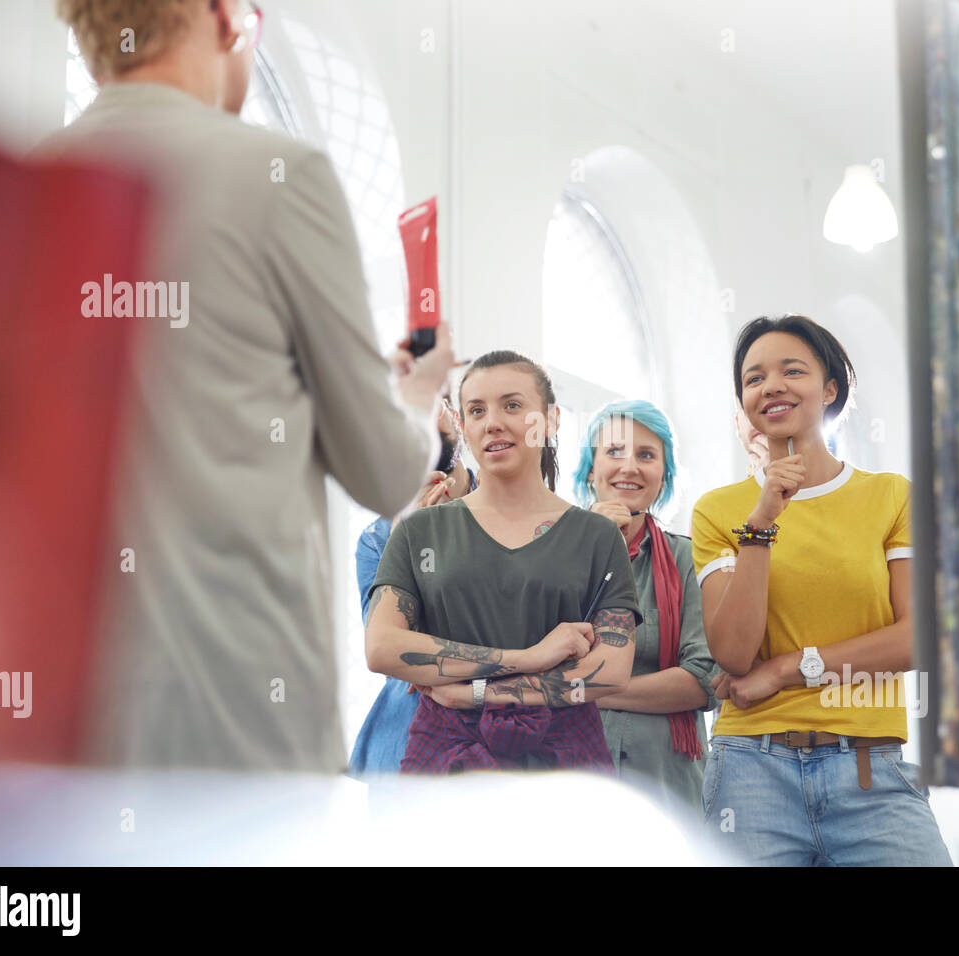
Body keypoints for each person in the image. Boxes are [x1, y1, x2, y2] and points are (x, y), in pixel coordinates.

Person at [41, 0, 454, 771]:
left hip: (60, 694)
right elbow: (386, 470)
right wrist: (419, 394)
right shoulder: (277, 175)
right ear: (227, 16)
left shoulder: (32, 180)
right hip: (233, 695)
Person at [691, 314, 951, 865]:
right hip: (750, 770)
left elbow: (915, 640)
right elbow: (734, 653)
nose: (772, 386)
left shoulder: (890, 497)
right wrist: (760, 524)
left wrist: (786, 669)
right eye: (754, 378)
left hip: (870, 767)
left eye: (792, 370)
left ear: (830, 388)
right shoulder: (716, 511)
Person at [364, 351, 640, 772]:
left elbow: (610, 671)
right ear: (463, 426)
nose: (492, 421)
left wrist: (476, 692)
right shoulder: (419, 531)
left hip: (565, 767)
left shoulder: (596, 536)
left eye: (512, 405)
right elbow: (383, 647)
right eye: (476, 410)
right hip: (446, 765)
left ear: (550, 420)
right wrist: (531, 657)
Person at [573, 400, 719, 812]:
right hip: (569, 778)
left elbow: (703, 679)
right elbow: (534, 662)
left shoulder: (690, 560)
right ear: (590, 468)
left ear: (664, 476)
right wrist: (593, 549)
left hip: (669, 784)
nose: (630, 466)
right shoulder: (547, 553)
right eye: (614, 452)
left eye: (647, 455)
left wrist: (585, 692)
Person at [349, 398, 476, 776]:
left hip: (503, 737)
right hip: (402, 743)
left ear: (455, 414)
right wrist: (410, 545)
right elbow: (393, 653)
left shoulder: (513, 514)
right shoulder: (377, 539)